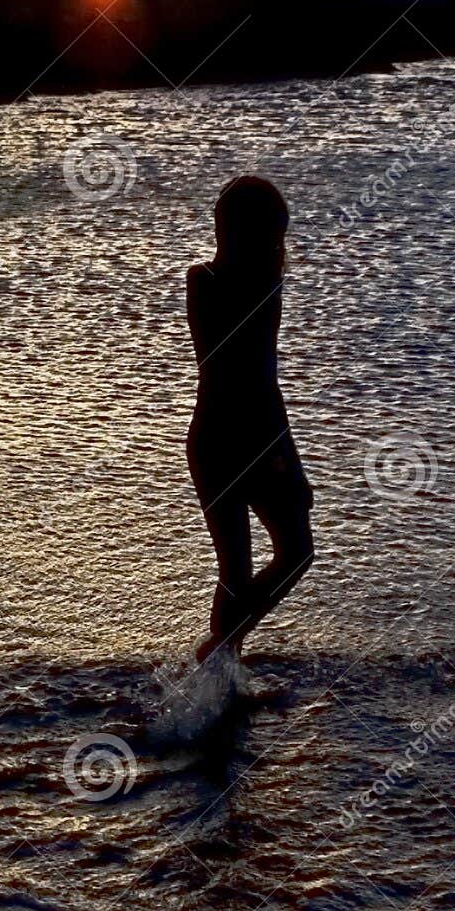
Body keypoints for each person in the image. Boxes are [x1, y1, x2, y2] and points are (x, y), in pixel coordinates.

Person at [186, 176, 312, 663]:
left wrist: (288, 458)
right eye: (274, 234)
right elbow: (257, 379)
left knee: (263, 562)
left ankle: (222, 663)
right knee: (283, 554)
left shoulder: (211, 281)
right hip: (238, 436)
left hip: (217, 435)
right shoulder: (227, 284)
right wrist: (288, 460)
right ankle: (219, 655)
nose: (280, 246)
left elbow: (259, 378)